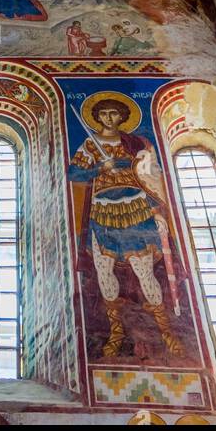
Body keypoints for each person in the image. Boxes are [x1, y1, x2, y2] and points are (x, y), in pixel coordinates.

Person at [69, 93, 182, 358]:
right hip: (102, 212)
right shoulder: (90, 144)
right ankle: (116, 332)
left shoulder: (136, 143)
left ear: (122, 116)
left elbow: (151, 178)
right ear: (97, 118)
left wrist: (158, 211)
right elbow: (74, 173)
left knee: (145, 272)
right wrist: (98, 168)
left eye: (114, 113)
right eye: (104, 113)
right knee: (104, 270)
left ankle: (167, 333)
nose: (109, 117)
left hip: (136, 209)